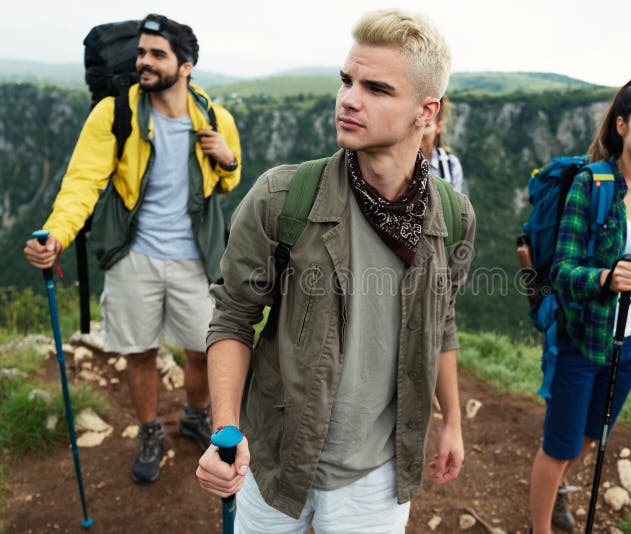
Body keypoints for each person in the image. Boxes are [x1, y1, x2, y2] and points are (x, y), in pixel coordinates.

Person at [196, 9, 475, 533]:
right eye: (346, 80)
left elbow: (442, 323)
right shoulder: (283, 198)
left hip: (377, 474)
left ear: (426, 111)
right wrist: (226, 433)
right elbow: (233, 317)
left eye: (376, 88)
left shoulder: (454, 217)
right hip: (275, 460)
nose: (348, 98)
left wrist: (453, 423)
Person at [23, 13, 241, 484]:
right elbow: (83, 183)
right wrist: (57, 233)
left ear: (185, 66)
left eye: (157, 54)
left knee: (202, 350)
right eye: (141, 52)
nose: (144, 61)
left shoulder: (215, 118)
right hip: (133, 256)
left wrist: (228, 158)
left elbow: (227, 181)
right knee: (140, 352)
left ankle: (194, 415)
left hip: (194, 258)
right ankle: (149, 431)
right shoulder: (114, 114)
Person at [528, 79, 631, 533]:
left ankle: (557, 494)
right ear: (623, 124)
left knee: (593, 435)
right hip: (582, 339)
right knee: (559, 445)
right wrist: (604, 277)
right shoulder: (592, 185)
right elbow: (561, 271)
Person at [420, 94, 467, 194]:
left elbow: (454, 206)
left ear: (439, 127)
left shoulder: (450, 165)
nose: (418, 132)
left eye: (426, 126)